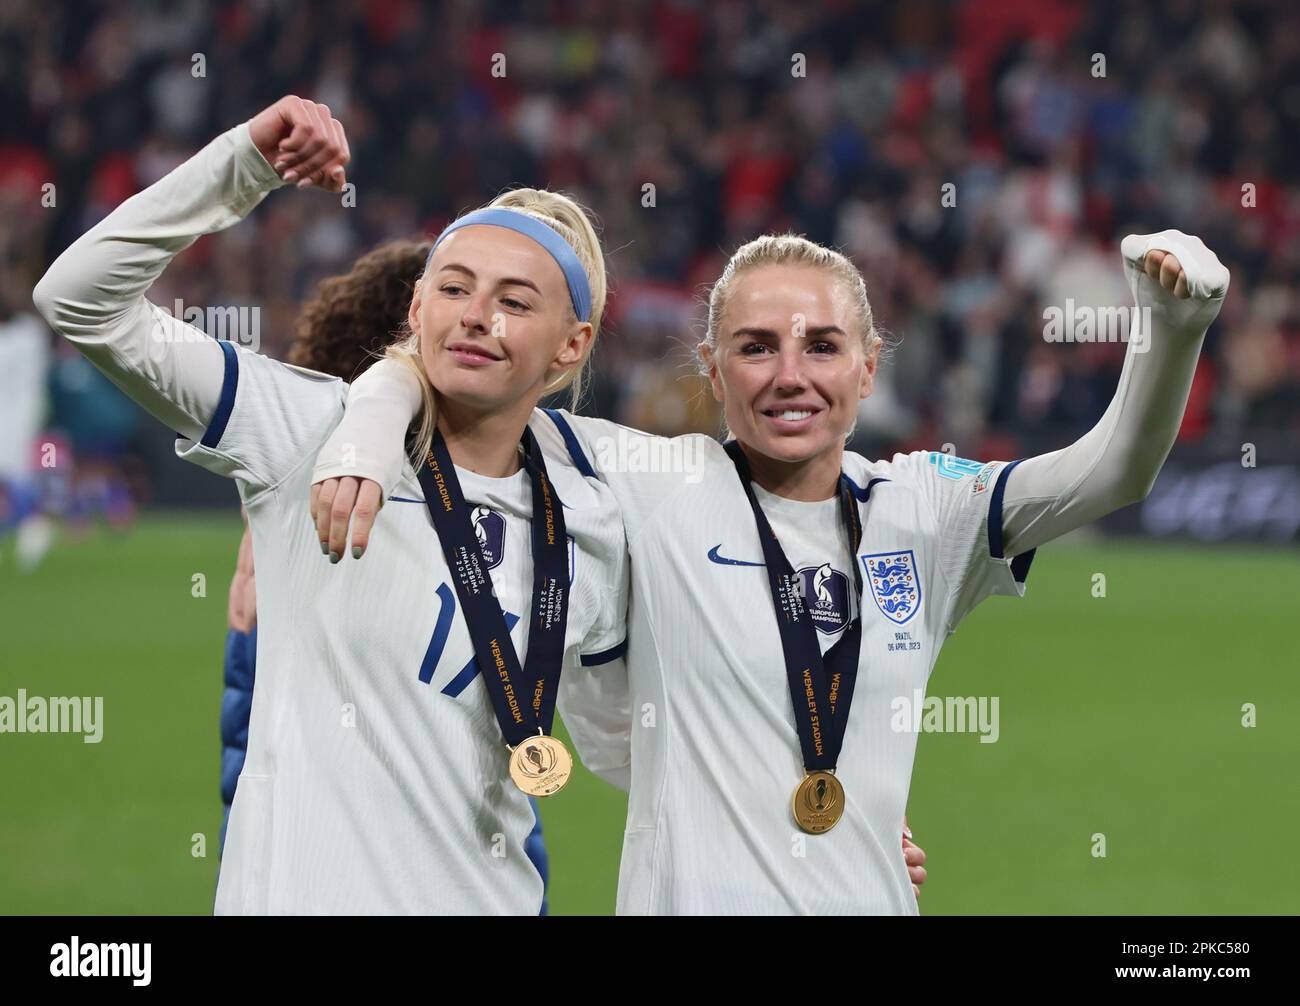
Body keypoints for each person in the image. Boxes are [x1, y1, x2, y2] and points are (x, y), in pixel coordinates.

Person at [312, 228, 1227, 914]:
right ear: (712, 368)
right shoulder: (651, 482)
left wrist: (1171, 330)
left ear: (869, 369)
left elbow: (1115, 471)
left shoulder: (929, 510)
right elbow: (451, 371)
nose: (791, 375)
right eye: (756, 348)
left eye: (822, 347)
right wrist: (363, 427)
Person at [33, 95, 628, 914]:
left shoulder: (594, 513)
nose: (478, 318)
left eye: (516, 302)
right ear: (417, 309)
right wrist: (242, 164)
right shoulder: (302, 432)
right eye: (454, 288)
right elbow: (79, 298)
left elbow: (626, 737)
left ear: (572, 347)